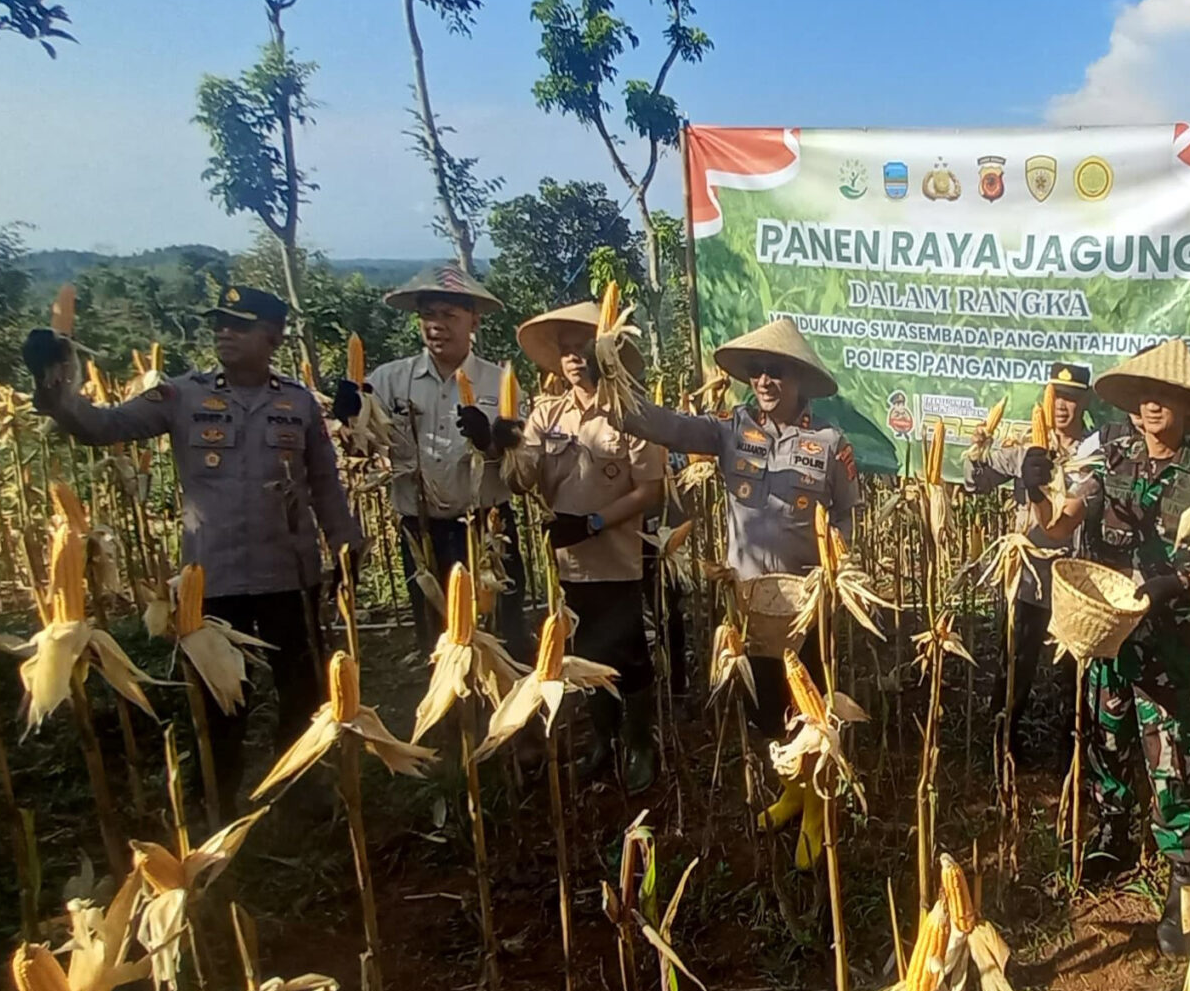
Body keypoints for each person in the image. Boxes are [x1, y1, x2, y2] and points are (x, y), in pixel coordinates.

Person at [22, 286, 364, 809]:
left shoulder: (296, 404)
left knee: (302, 691)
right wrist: (53, 384)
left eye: (239, 325)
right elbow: (103, 425)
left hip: (288, 575)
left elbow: (325, 483)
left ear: (271, 336)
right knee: (222, 700)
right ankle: (218, 800)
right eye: (219, 324)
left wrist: (346, 548)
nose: (224, 332)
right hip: (212, 580)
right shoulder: (181, 396)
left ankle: (300, 791)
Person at [591, 316, 857, 865]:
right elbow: (663, 425)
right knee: (765, 710)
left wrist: (837, 564)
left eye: (776, 371)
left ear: (801, 381)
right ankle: (791, 792)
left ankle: (816, 807)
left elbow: (849, 513)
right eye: (757, 371)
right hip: (750, 601)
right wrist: (609, 370)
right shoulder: (730, 429)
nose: (764, 380)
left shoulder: (829, 443)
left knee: (810, 709)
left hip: (807, 602)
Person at [1027, 339, 1190, 955]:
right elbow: (1059, 524)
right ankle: (1113, 831)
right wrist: (1039, 488)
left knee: (1172, 752)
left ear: (1186, 407)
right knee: (1108, 734)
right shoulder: (1109, 454)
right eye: (1145, 395)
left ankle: (1181, 872)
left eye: (1165, 398)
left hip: (1166, 636)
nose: (1152, 406)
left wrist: (1183, 581)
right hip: (1106, 629)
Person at [507, 302, 667, 792]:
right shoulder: (546, 414)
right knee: (585, 653)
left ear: (603, 354)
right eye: (567, 351)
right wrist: (501, 444)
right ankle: (603, 741)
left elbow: (651, 488)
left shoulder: (630, 413)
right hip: (568, 559)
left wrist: (595, 521)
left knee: (627, 651)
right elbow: (522, 479)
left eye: (583, 349)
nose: (574, 358)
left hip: (618, 555)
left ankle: (641, 743)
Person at [350, 265, 528, 651]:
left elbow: (521, 469)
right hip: (421, 529)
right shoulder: (389, 381)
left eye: (449, 315)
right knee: (437, 638)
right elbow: (362, 449)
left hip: (487, 528)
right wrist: (350, 418)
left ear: (473, 321)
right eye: (428, 314)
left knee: (502, 632)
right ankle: (449, 712)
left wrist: (490, 443)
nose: (436, 325)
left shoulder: (501, 382)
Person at [965, 361, 1097, 763]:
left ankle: (1069, 757)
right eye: (1057, 396)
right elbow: (978, 482)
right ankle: (1002, 745)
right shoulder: (1024, 449)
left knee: (1070, 675)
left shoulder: (1093, 456)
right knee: (1014, 665)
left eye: (1072, 399)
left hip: (1071, 583)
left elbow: (1074, 512)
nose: (1062, 407)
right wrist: (978, 450)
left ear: (1084, 403)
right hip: (1025, 577)